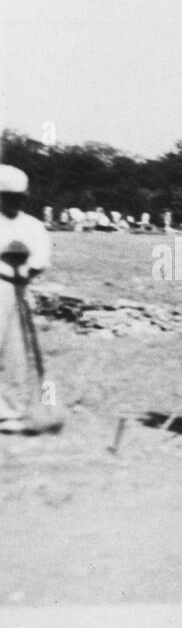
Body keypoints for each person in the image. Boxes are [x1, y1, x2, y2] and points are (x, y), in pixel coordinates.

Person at [0, 165, 54, 433]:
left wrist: (28, 268)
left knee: (19, 351)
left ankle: (17, 408)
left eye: (20, 197)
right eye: (9, 196)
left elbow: (40, 258)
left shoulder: (33, 225)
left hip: (20, 288)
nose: (15, 202)